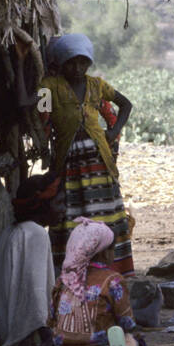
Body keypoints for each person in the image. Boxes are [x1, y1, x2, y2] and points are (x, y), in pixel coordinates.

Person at [29, 33, 134, 275]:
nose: (77, 68)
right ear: (61, 63)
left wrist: (114, 130)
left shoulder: (97, 85)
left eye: (83, 62)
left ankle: (110, 270)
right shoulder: (49, 87)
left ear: (89, 63)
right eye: (71, 62)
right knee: (71, 214)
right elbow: (41, 117)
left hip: (99, 162)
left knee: (104, 212)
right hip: (69, 163)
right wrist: (44, 146)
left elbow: (126, 104)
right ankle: (72, 269)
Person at [51, 218, 143, 346]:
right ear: (105, 253)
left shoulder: (63, 279)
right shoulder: (113, 280)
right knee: (134, 339)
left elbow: (51, 318)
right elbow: (127, 322)